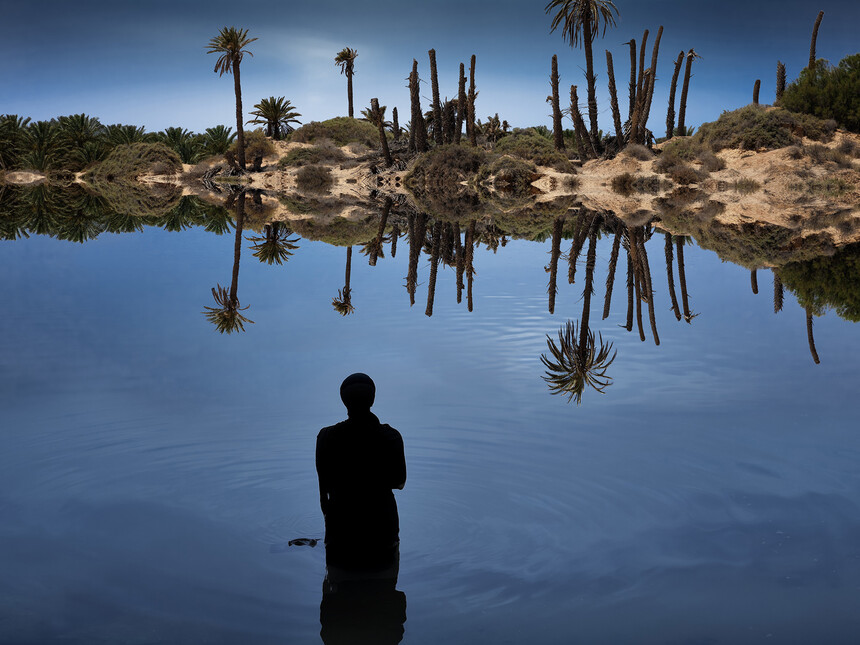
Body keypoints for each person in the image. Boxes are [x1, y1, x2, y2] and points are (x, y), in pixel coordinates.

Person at [316, 373, 406, 572]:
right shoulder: (391, 437)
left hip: (340, 534)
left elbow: (324, 494)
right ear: (373, 399)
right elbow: (400, 482)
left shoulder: (326, 437)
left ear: (343, 401)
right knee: (386, 593)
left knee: (338, 592)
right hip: (382, 532)